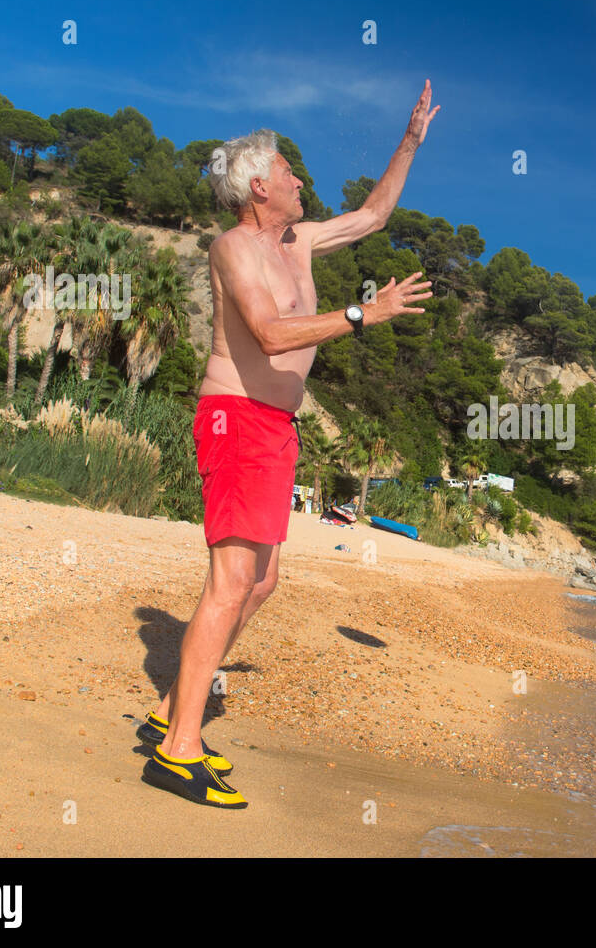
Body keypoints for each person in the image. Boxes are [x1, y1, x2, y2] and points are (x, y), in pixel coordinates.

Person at [138, 82, 439, 809]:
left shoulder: (297, 239)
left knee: (261, 582)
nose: (301, 179)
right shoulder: (234, 246)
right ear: (258, 185)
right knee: (231, 580)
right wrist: (366, 311)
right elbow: (270, 334)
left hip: (277, 427)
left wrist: (410, 141)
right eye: (290, 170)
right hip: (235, 416)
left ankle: (174, 705)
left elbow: (373, 215)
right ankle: (177, 749)